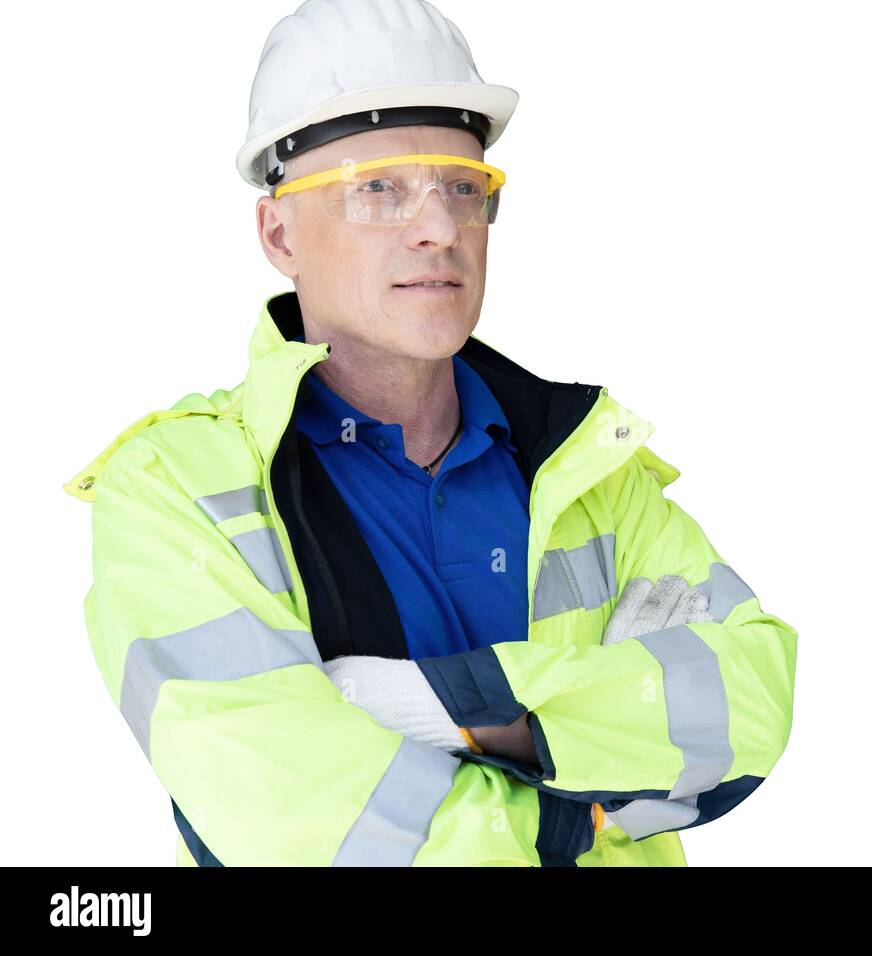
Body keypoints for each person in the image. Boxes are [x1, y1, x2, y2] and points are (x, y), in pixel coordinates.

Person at [63, 0, 798, 867]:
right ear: (278, 233)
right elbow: (295, 822)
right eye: (378, 190)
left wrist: (444, 704)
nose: (440, 229)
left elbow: (753, 700)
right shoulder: (176, 488)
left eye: (463, 187)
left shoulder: (590, 465)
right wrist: (582, 802)